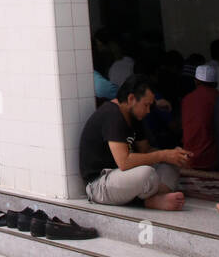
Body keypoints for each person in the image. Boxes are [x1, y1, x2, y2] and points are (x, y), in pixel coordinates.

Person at [79, 75, 189, 210]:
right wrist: (163, 154)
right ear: (131, 99)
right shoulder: (112, 114)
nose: (148, 110)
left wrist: (174, 155)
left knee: (170, 166)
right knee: (147, 174)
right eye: (146, 105)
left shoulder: (135, 115)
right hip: (100, 184)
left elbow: (146, 151)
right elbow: (124, 162)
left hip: (126, 177)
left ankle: (152, 197)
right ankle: (146, 202)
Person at [181, 63, 218, 170]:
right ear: (215, 83)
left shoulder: (188, 99)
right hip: (213, 160)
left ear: (196, 81)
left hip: (189, 158)